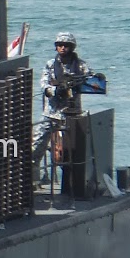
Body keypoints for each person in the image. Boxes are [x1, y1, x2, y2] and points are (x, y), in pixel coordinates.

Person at [32, 30, 90, 168]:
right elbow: (44, 85)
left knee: (69, 151)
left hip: (70, 114)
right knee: (36, 145)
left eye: (66, 45)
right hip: (51, 112)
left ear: (72, 47)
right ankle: (32, 173)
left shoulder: (80, 65)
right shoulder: (51, 65)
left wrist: (77, 83)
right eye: (60, 45)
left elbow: (89, 80)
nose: (63, 48)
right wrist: (56, 90)